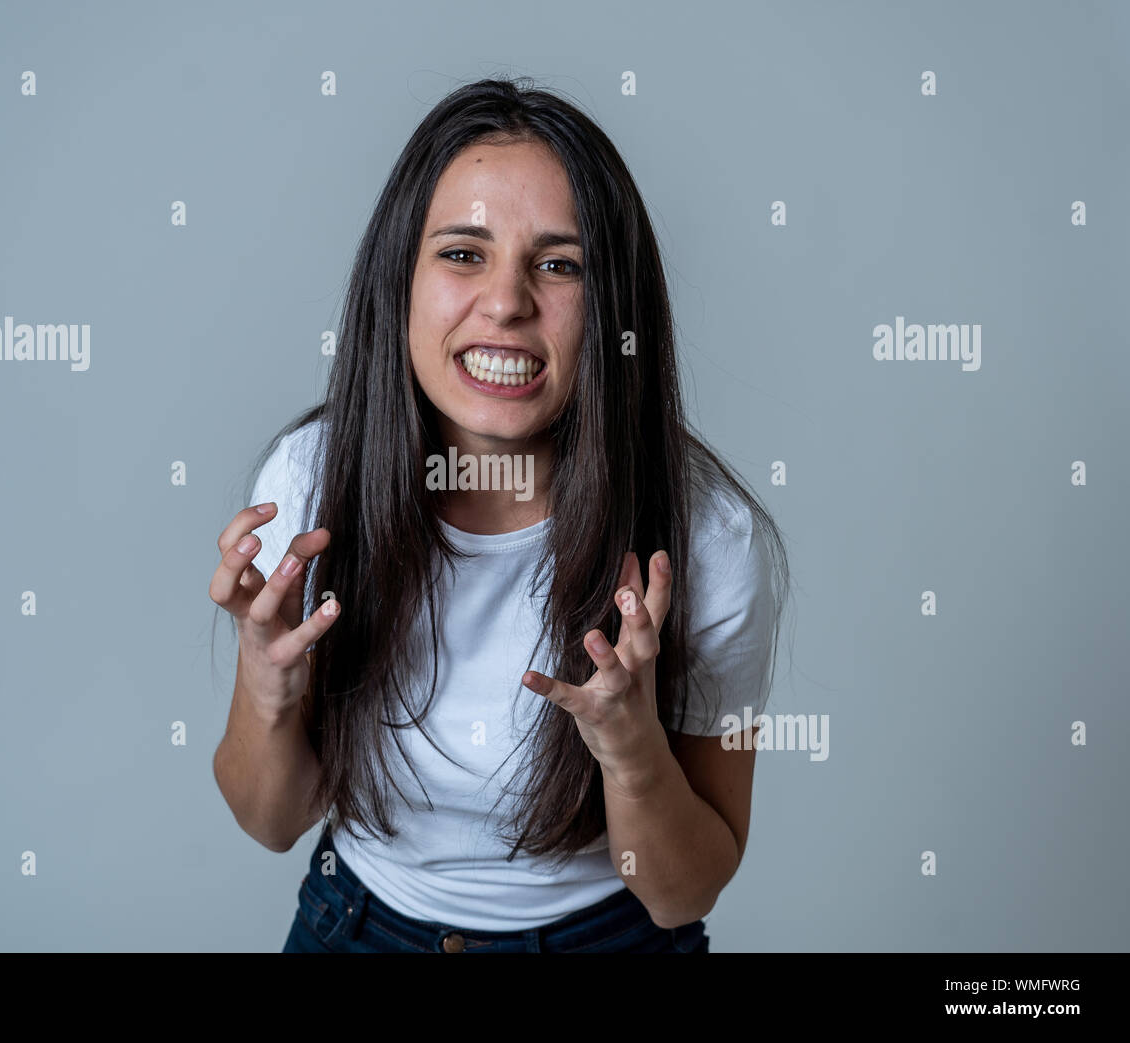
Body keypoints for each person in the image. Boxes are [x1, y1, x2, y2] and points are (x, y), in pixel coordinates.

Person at [209, 77, 789, 953]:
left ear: (613, 308)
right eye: (463, 253)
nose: (508, 302)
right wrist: (268, 682)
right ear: (398, 280)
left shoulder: (710, 539)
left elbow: (682, 895)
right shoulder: (310, 481)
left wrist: (631, 750)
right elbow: (271, 820)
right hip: (357, 926)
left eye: (559, 265)